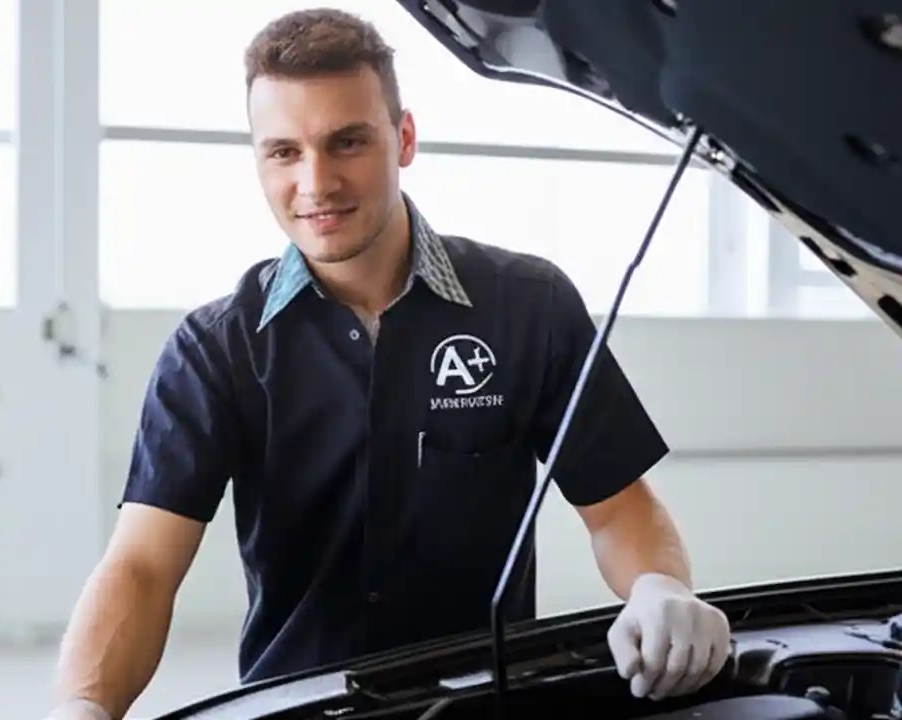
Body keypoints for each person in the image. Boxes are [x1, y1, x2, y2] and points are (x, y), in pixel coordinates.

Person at [50, 8, 731, 719]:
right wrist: (83, 707)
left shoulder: (529, 307)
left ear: (403, 139)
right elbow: (142, 566)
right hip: (300, 708)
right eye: (283, 152)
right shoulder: (217, 348)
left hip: (485, 703)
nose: (315, 183)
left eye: (347, 142)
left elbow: (619, 508)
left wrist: (661, 587)